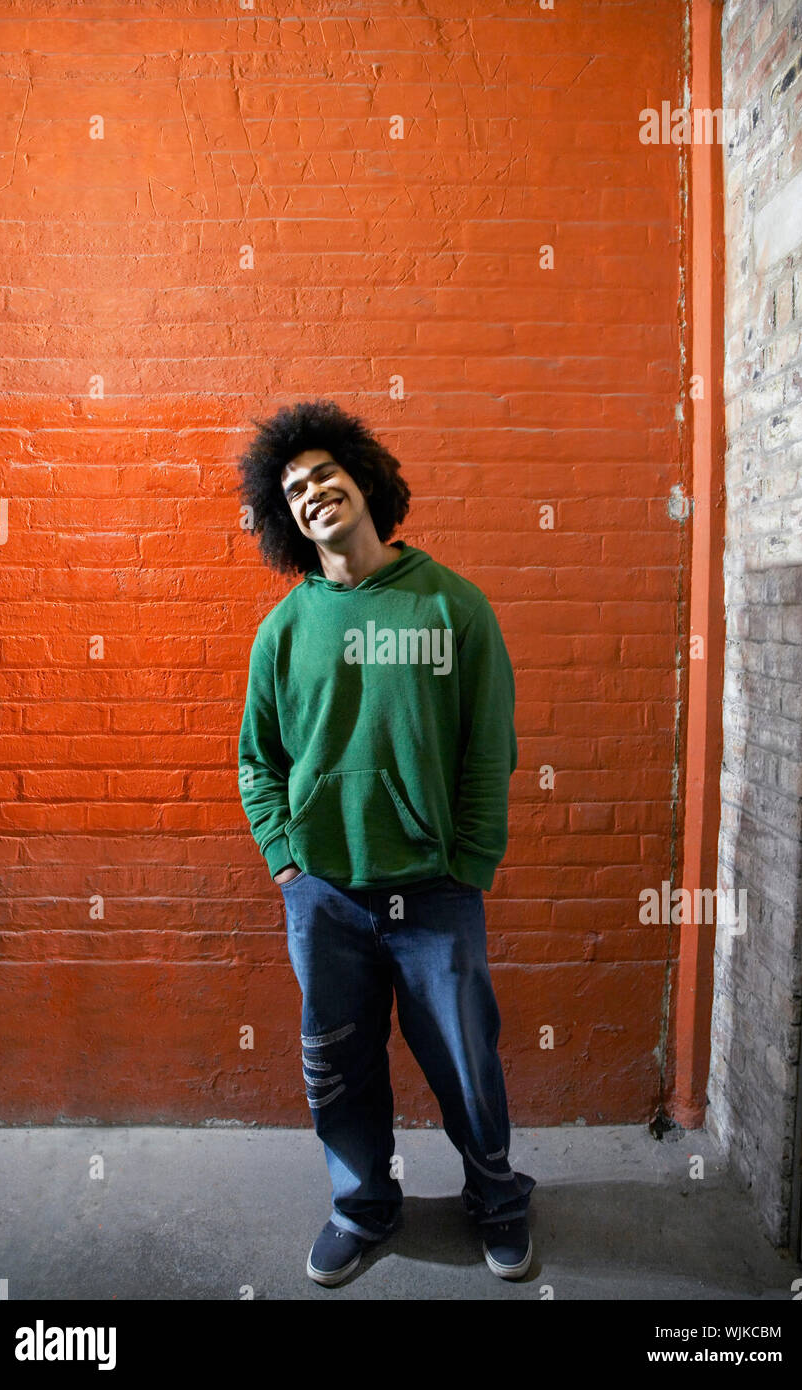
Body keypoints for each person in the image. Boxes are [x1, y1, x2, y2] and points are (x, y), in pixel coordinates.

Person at [237, 399, 536, 1286]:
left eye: (323, 472)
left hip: (435, 893)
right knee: (337, 1070)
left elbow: (490, 745)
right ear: (285, 516)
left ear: (364, 479)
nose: (311, 492)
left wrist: (471, 861)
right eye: (291, 489)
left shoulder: (452, 606)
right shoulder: (284, 631)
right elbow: (258, 760)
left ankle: (498, 1199)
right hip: (324, 895)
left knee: (467, 1067)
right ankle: (362, 1209)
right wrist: (285, 861)